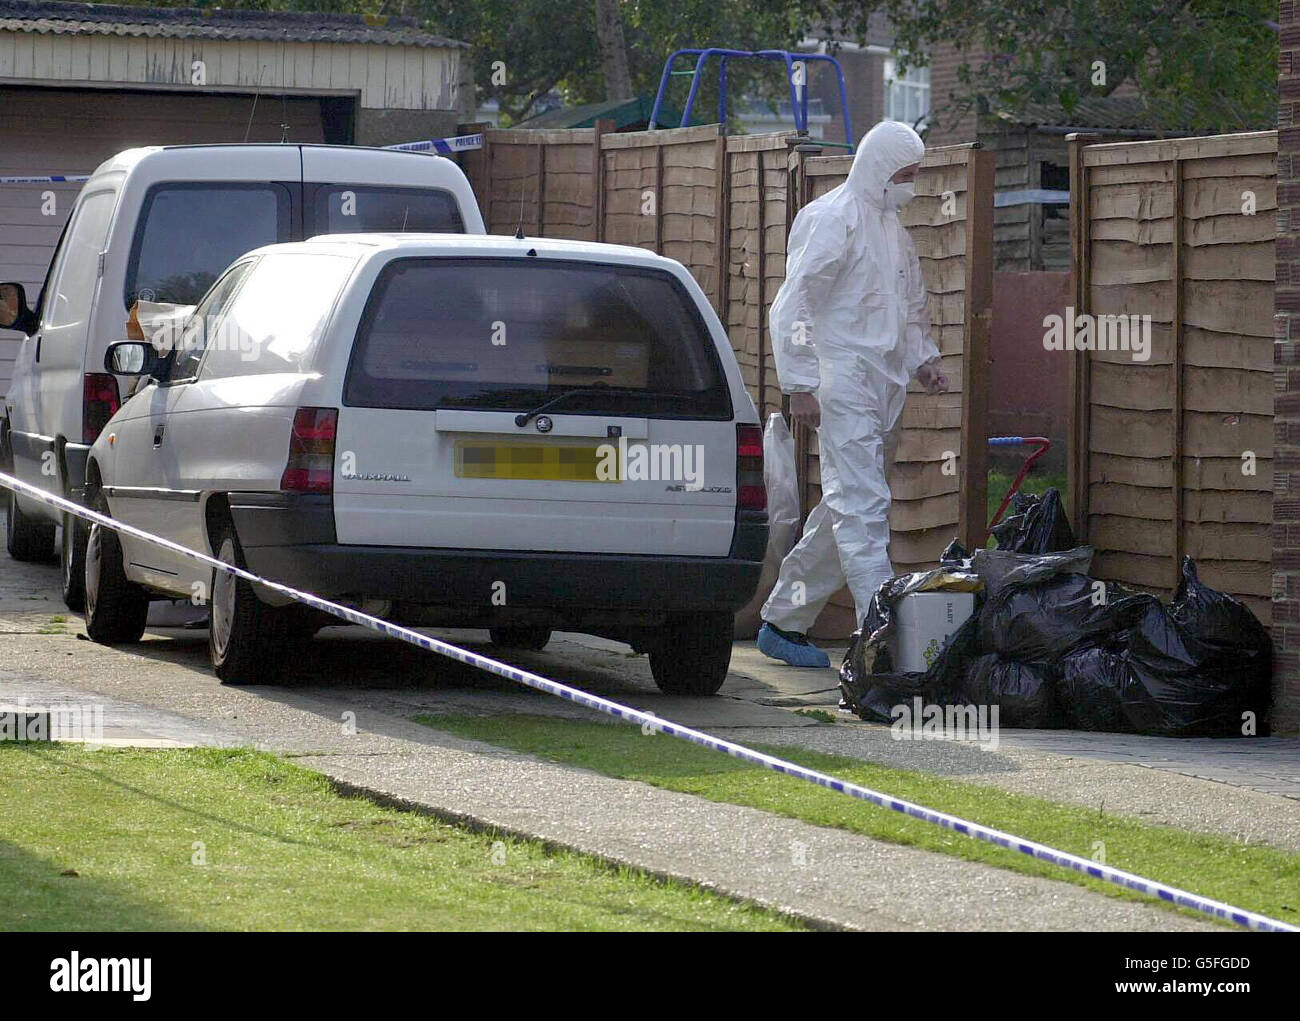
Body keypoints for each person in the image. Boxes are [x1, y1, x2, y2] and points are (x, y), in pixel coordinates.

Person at [757, 120, 949, 668]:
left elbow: (909, 309)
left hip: (884, 383)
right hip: (839, 380)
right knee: (863, 509)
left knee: (846, 505)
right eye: (903, 175)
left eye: (914, 175)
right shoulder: (830, 220)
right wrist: (799, 384)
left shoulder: (894, 232)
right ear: (877, 168)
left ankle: (783, 620)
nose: (910, 186)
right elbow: (790, 307)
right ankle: (882, 651)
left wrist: (924, 360)